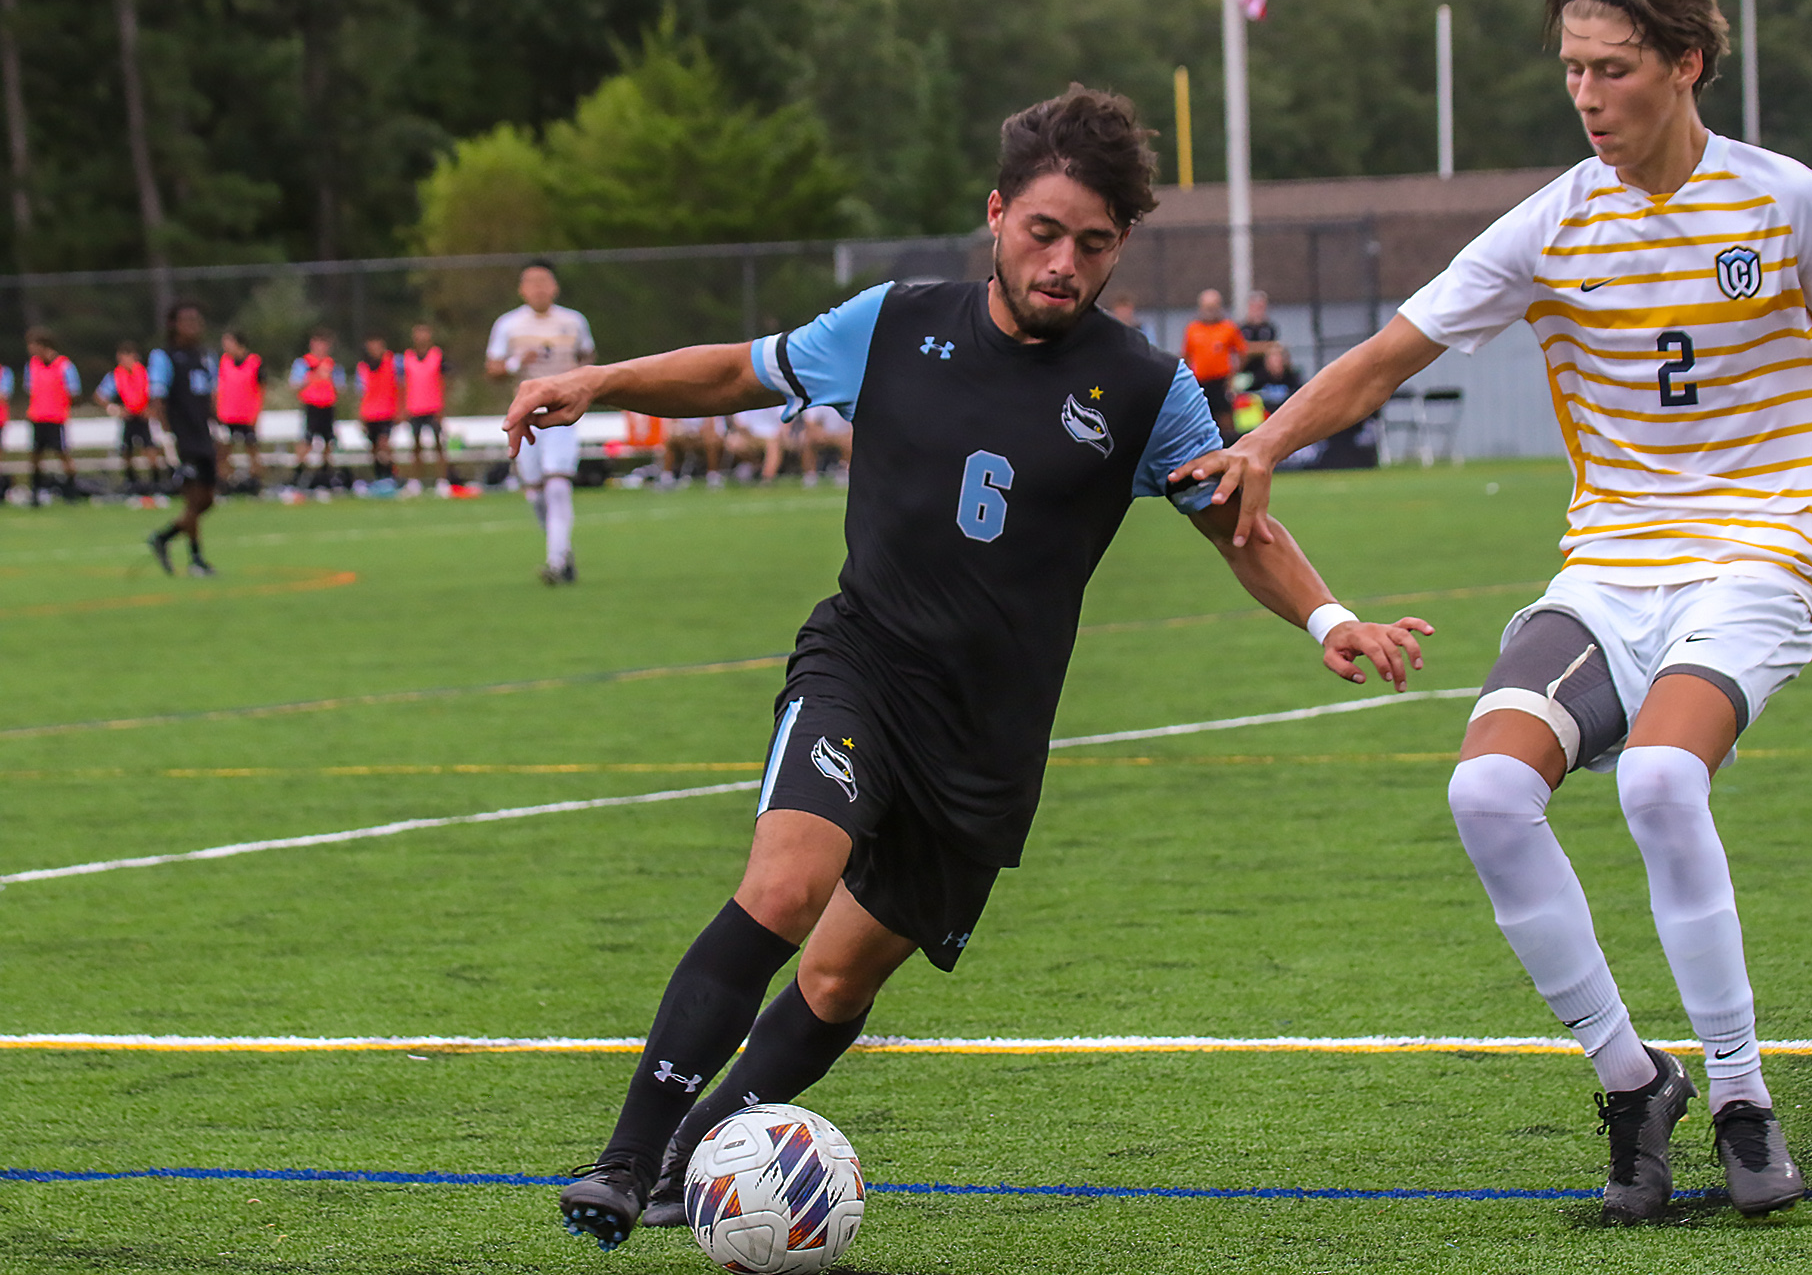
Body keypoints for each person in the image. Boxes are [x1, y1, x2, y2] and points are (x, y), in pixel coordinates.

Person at [504, 86, 1432, 1253]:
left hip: (987, 743)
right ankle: (628, 1156)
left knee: (840, 984)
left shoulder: (1147, 390)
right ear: (996, 214)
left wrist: (1328, 616)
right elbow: (739, 372)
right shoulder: (892, 322)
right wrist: (600, 381)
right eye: (1043, 231)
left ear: (1120, 247)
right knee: (787, 887)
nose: (1063, 262)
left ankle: (696, 1158)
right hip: (862, 665)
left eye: (1092, 244)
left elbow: (1238, 526)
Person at [1173, 0, 1812, 1224]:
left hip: (1759, 557)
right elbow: (1381, 358)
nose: (1585, 95)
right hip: (1609, 570)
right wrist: (1267, 443)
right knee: (1484, 791)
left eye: (1611, 69)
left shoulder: (1790, 201)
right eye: (1571, 69)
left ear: (1684, 65)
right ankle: (1635, 1080)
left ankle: (1743, 1100)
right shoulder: (1550, 224)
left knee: (1661, 782)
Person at [487, 260, 595, 583]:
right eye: (531, 282)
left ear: (555, 287)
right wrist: (517, 362)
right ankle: (561, 550)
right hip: (525, 414)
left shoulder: (574, 321)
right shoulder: (508, 325)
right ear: (521, 289)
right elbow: (492, 369)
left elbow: (588, 356)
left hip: (560, 413)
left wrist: (577, 384)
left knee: (557, 483)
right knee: (535, 491)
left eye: (544, 281)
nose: (538, 288)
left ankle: (556, 561)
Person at [146, 301, 222, 576]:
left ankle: (163, 538)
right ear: (174, 325)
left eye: (197, 320)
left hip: (203, 436)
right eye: (187, 321)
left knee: (208, 500)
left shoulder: (205, 357)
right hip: (182, 439)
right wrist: (165, 437)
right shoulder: (164, 357)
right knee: (192, 500)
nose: (194, 326)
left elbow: (211, 398)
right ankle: (196, 560)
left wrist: (219, 429)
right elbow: (158, 400)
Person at [95, 341, 164, 493]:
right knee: (126, 450)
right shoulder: (116, 375)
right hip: (128, 417)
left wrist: (152, 410)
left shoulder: (146, 373)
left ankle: (156, 481)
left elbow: (157, 392)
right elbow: (100, 395)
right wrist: (114, 409)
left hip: (143, 417)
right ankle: (131, 481)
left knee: (150, 449)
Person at [1182, 287, 1245, 443]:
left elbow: (1242, 352)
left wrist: (1232, 378)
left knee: (1226, 422)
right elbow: (1186, 355)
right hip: (1201, 383)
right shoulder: (1192, 329)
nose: (1210, 311)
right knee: (1199, 422)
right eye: (1207, 307)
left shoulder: (1228, 327)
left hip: (1221, 382)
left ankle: (1231, 451)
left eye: (1213, 307)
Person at [24, 329, 80, 503]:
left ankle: (71, 490)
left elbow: (74, 392)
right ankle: (36, 491)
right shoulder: (32, 365)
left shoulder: (64, 365)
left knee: (63, 454)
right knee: (36, 456)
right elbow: (30, 389)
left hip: (56, 417)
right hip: (37, 417)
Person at [290, 329, 345, 489]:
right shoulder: (304, 364)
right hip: (311, 407)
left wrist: (329, 378)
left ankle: (326, 474)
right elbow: (294, 384)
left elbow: (340, 388)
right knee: (306, 441)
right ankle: (298, 474)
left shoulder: (332, 365)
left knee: (329, 441)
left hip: (327, 406)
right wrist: (313, 376)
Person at [402, 321, 452, 496]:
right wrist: (403, 408)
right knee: (415, 447)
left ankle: (442, 481)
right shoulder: (407, 357)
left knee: (439, 446)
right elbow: (403, 383)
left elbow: (445, 381)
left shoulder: (437, 355)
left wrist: (443, 407)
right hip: (414, 407)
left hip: (433, 407)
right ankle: (415, 482)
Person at [216, 330, 268, 489]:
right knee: (224, 451)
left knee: (252, 449)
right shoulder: (224, 361)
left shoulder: (254, 362)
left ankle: (255, 479)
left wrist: (257, 412)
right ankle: (224, 480)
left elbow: (262, 387)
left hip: (247, 415)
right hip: (227, 415)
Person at [356, 333, 401, 486]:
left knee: (384, 444)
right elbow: (362, 392)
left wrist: (401, 409)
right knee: (374, 448)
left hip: (387, 412)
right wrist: (360, 416)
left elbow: (400, 386)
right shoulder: (363, 367)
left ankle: (391, 475)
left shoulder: (393, 362)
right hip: (369, 413)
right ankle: (379, 477)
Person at [725, 404, 789, 482]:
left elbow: (785, 419)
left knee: (773, 445)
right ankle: (755, 465)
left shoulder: (775, 400)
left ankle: (767, 479)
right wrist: (750, 437)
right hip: (751, 436)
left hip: (772, 435)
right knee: (732, 442)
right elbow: (740, 424)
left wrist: (781, 434)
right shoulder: (745, 401)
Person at [799, 402, 853, 487]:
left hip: (841, 436)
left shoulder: (847, 402)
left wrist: (836, 437)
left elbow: (852, 426)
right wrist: (823, 435)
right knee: (807, 440)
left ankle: (843, 471)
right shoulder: (816, 402)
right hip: (822, 436)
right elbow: (810, 424)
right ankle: (810, 475)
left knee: (851, 441)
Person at [1245, 342, 1303, 411]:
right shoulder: (1260, 377)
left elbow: (1300, 396)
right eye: (1273, 358)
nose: (1277, 361)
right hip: (1266, 415)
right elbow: (1248, 395)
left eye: (1279, 357)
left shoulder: (1292, 378)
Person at [1240, 289, 1278, 357]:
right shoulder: (1242, 328)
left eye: (1260, 307)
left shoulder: (1269, 328)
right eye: (1254, 307)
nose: (1257, 311)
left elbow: (1271, 346)